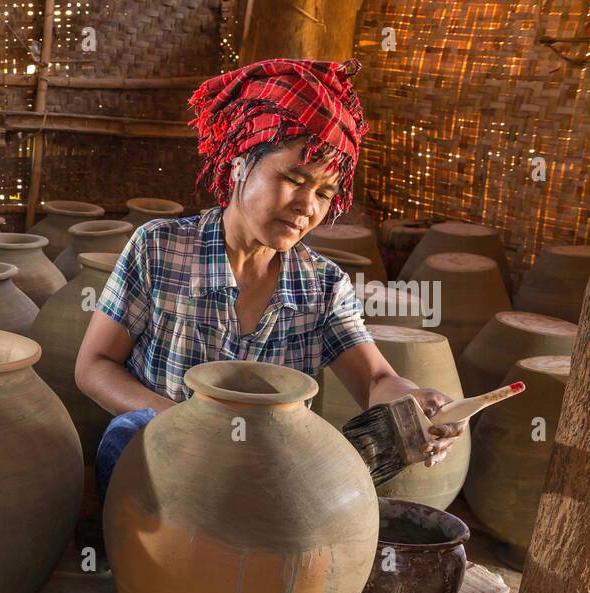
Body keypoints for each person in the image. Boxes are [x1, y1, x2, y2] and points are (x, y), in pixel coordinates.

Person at [75, 58, 465, 502]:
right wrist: (179, 422)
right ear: (241, 163)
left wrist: (415, 402)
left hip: (267, 474)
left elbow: (376, 380)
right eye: (293, 180)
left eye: (324, 193)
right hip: (167, 457)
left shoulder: (322, 285)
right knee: (129, 433)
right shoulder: (160, 249)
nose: (307, 207)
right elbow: (94, 366)